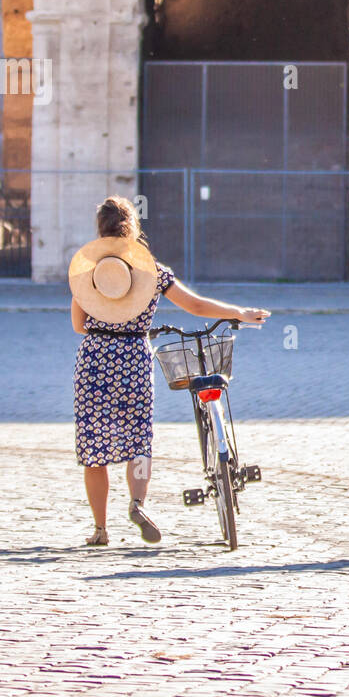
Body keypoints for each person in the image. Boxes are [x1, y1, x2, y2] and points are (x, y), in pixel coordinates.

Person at [68, 195, 269, 547]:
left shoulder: (89, 274)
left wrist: (106, 325)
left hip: (96, 360)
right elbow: (194, 304)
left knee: (94, 449)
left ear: (100, 231)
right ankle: (137, 503)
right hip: (134, 358)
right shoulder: (152, 272)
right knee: (138, 441)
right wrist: (239, 312)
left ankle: (100, 530)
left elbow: (77, 325)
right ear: (134, 227)